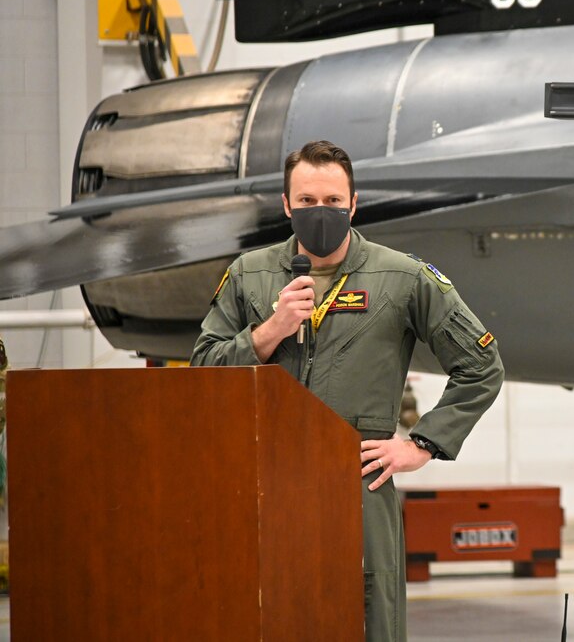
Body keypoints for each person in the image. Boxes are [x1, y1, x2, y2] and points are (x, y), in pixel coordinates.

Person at [192, 140, 503, 642]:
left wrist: (422, 444)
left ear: (354, 204)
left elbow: (481, 365)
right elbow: (202, 370)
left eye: (334, 202)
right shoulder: (248, 275)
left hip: (359, 478)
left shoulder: (401, 278)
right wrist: (269, 330)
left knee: (368, 617)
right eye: (309, 201)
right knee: (262, 613)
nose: (322, 212)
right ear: (286, 205)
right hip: (262, 480)